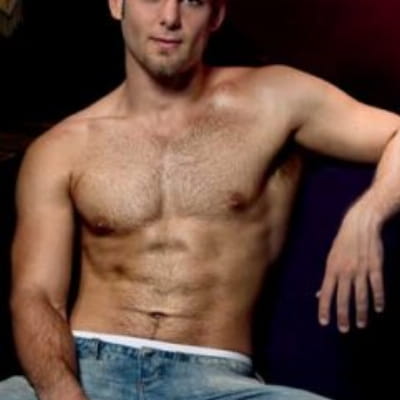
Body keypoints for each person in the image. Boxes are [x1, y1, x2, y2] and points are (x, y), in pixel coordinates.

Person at [1, 0, 399, 399]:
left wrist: (367, 213)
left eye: (192, 1)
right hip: (86, 369)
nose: (170, 17)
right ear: (117, 4)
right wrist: (62, 392)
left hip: (218, 383)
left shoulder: (275, 99)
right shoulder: (61, 148)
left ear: (217, 15)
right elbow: (37, 296)